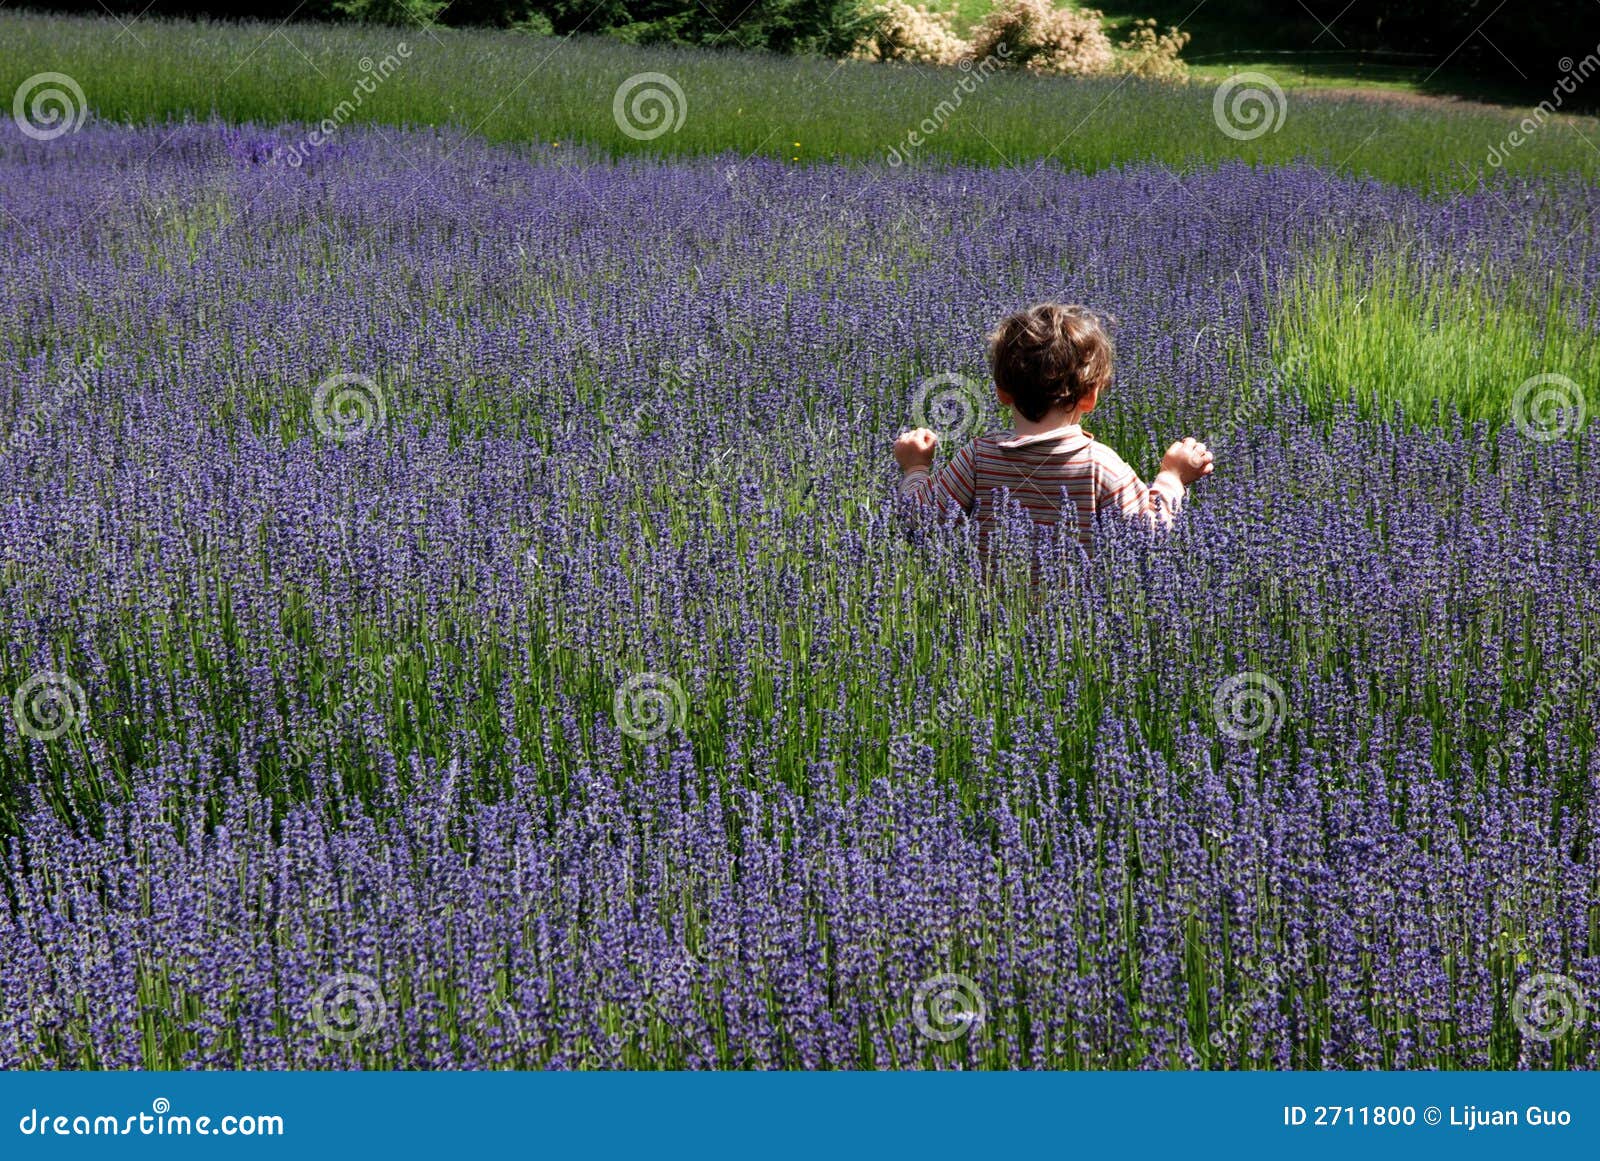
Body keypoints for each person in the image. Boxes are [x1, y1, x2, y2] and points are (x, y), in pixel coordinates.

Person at [894, 303, 1213, 548]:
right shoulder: (1099, 466)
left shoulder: (978, 458)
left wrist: (916, 467)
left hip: (988, 621)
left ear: (1002, 393)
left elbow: (918, 517)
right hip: (1078, 626)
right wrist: (1173, 476)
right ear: (1090, 397)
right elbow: (1150, 533)